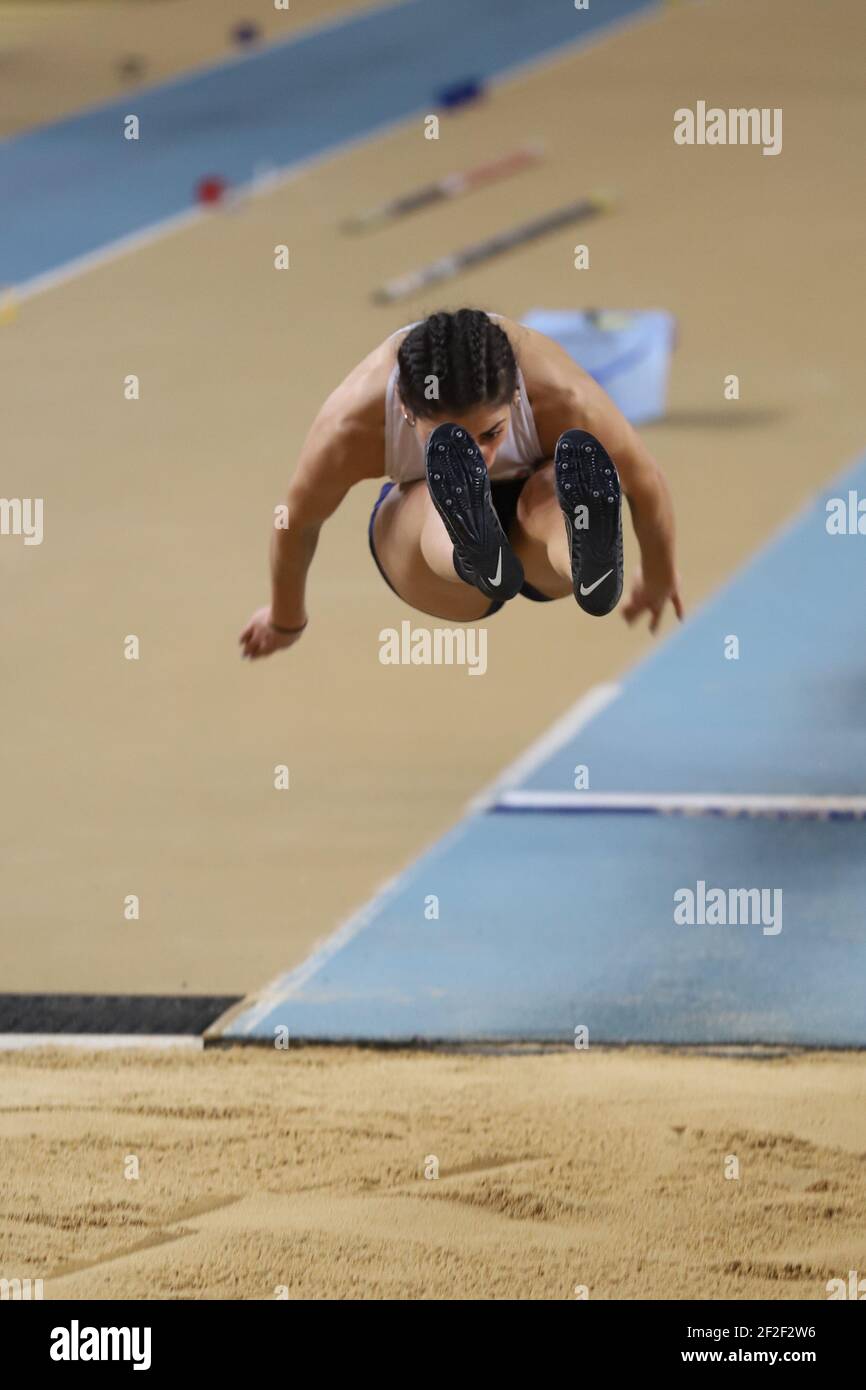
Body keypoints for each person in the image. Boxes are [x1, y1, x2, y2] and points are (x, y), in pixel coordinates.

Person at [239, 308, 682, 658]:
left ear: (515, 395)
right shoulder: (354, 423)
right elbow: (295, 521)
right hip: (457, 550)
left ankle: (563, 560)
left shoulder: (560, 393)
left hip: (487, 554)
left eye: (491, 434)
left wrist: (285, 621)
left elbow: (296, 522)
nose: (480, 458)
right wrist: (658, 574)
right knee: (438, 497)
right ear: (406, 411)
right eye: (451, 440)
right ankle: (483, 552)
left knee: (550, 486)